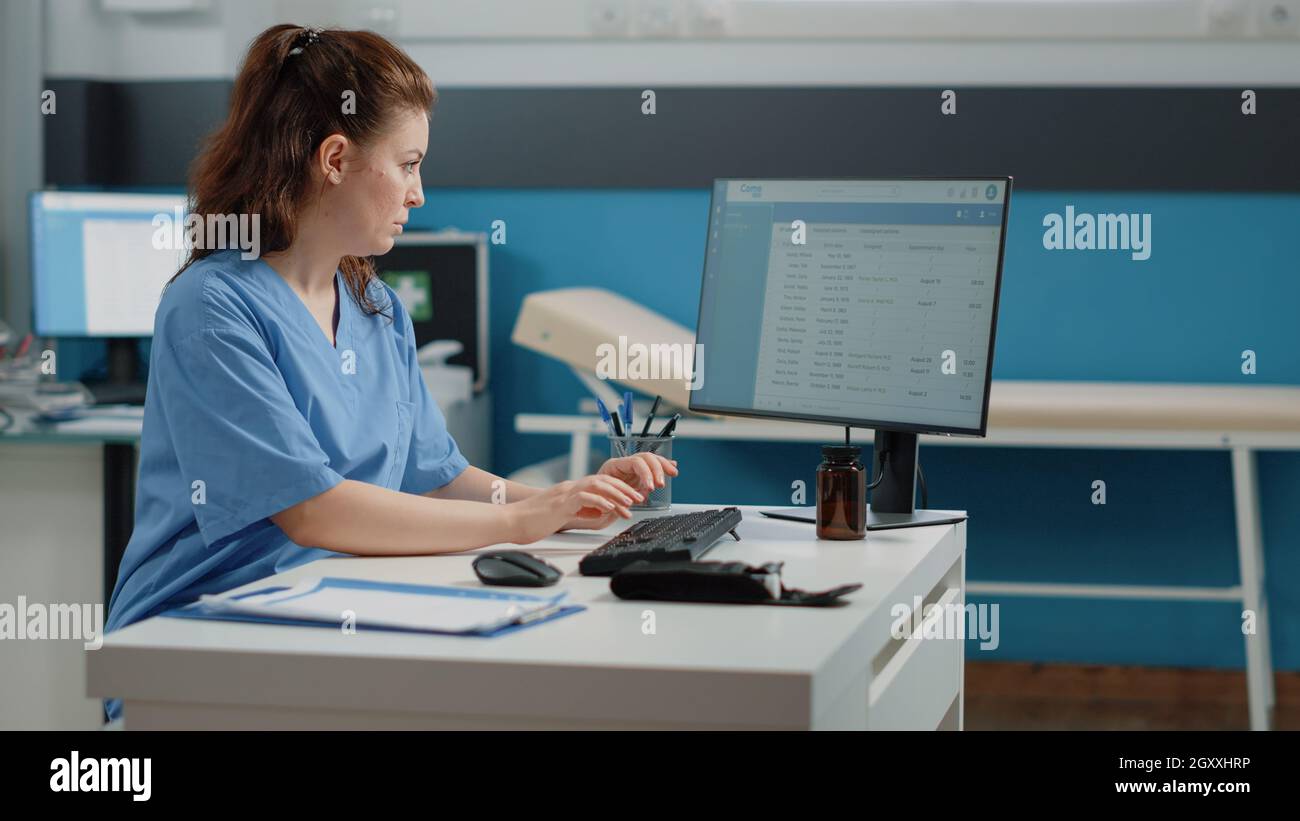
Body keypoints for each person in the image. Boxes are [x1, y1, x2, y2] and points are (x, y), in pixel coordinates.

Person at [102, 24, 676, 722]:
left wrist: (566, 502)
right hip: (195, 647)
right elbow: (314, 508)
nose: (420, 193)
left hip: (328, 623)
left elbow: (438, 475)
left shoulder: (377, 309)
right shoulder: (210, 308)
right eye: (408, 164)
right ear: (335, 158)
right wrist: (523, 521)